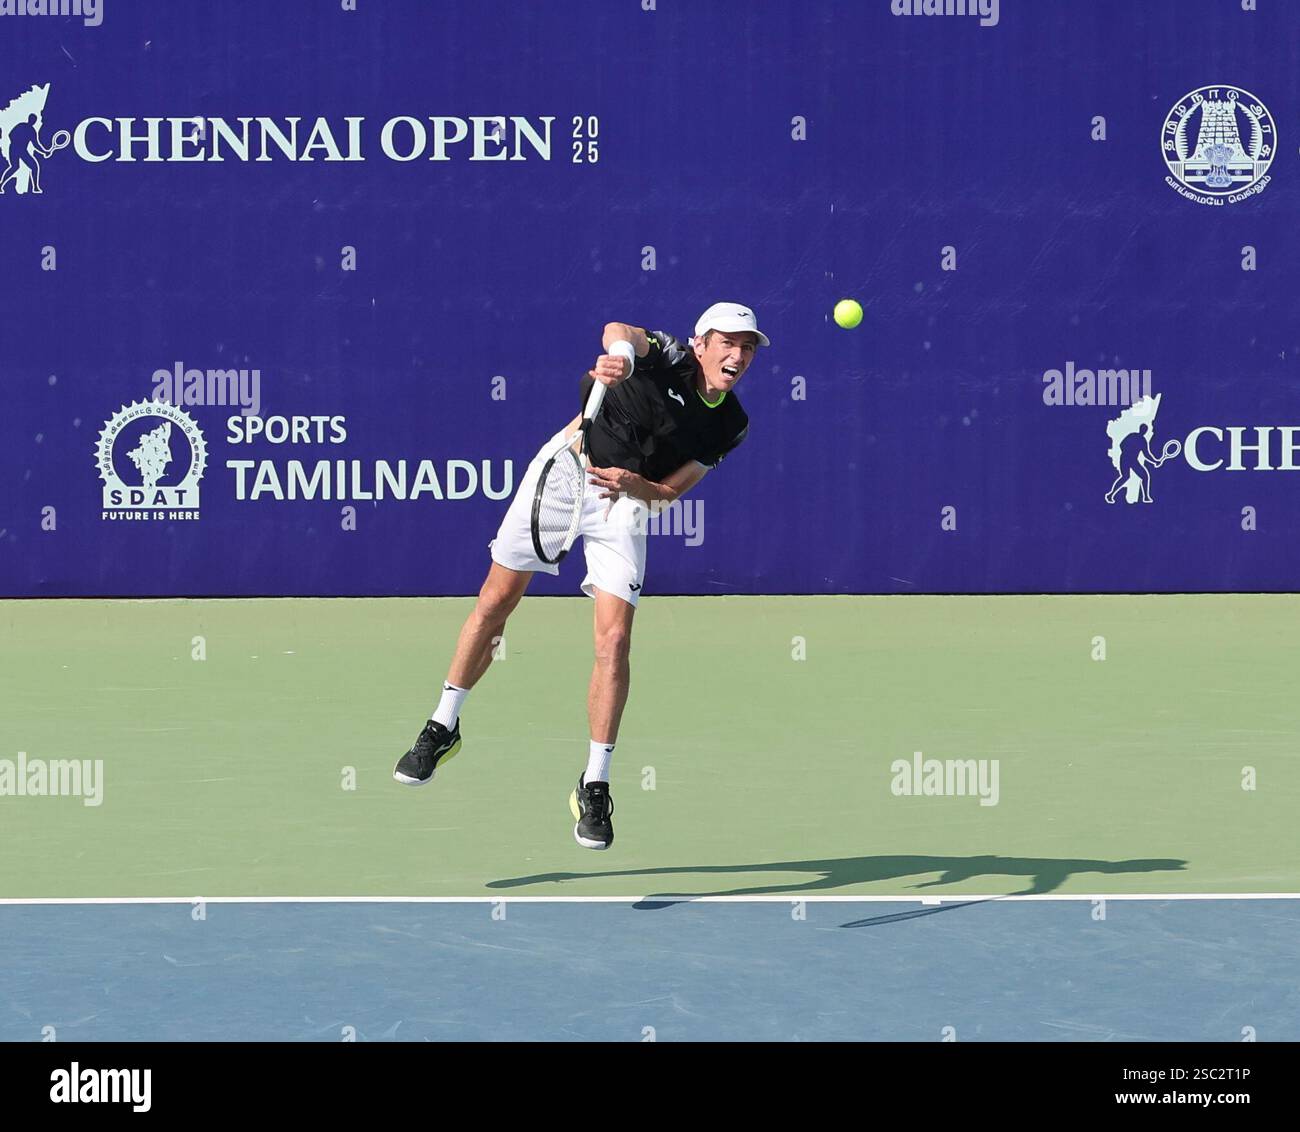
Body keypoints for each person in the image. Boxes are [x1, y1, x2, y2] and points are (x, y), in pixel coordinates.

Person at [392, 302, 770, 849]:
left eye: (748, 346)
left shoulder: (732, 424)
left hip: (625, 503)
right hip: (568, 467)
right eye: (727, 342)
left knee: (614, 641)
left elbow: (669, 493)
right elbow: (622, 330)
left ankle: (594, 784)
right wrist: (618, 355)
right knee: (496, 602)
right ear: (701, 343)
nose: (738, 355)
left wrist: (635, 485)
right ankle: (442, 725)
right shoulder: (664, 353)